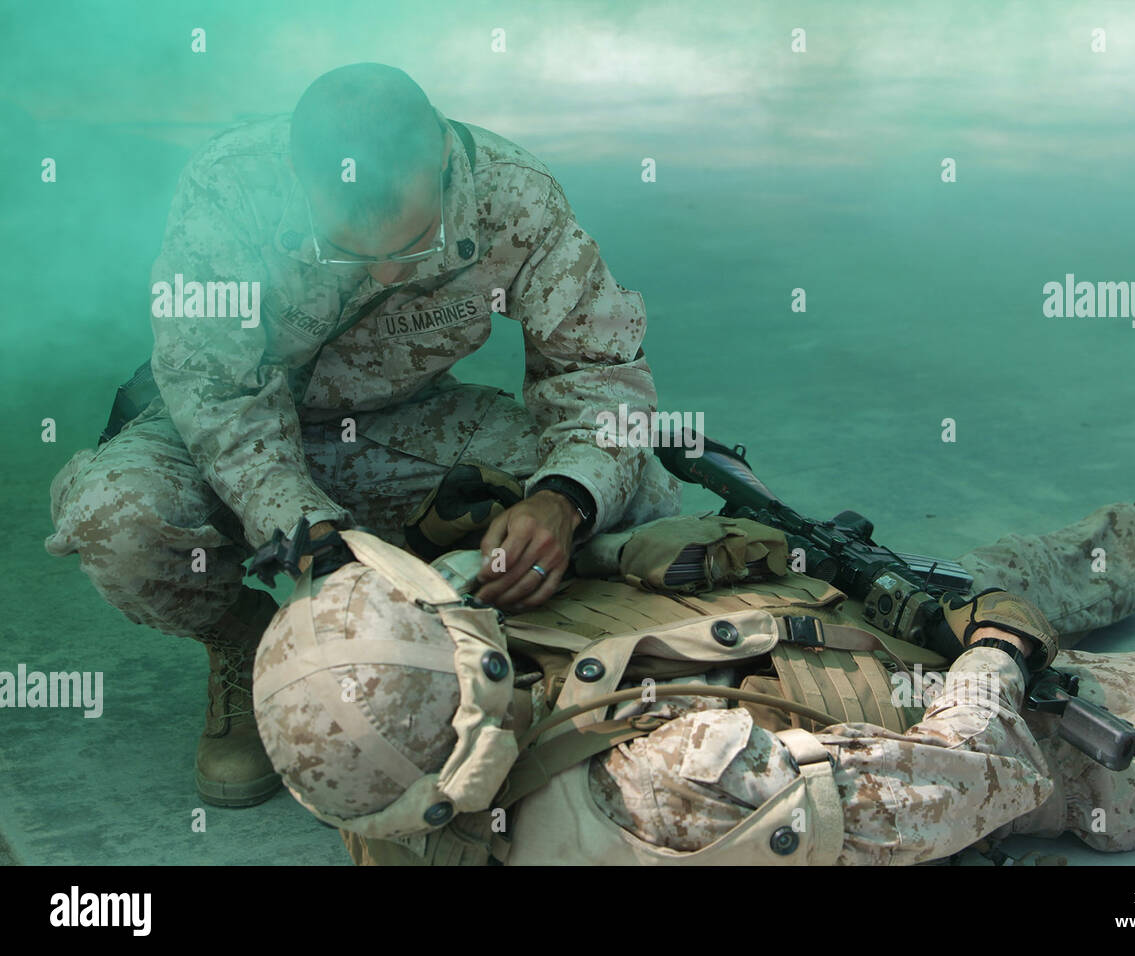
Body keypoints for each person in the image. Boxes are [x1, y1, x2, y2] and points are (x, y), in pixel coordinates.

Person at [252, 376, 1135, 865]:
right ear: (469, 689)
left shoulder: (364, 715)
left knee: (1035, 563)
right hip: (960, 718)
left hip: (814, 619)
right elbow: (957, 784)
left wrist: (639, 549)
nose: (455, 595)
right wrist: (993, 653)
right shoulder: (669, 792)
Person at [43, 62, 681, 808]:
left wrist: (562, 502)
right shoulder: (229, 191)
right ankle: (251, 647)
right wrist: (310, 534)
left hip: (404, 425)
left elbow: (600, 375)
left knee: (642, 494)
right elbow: (219, 395)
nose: (383, 272)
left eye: (411, 246)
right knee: (113, 518)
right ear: (297, 178)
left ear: (444, 152)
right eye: (350, 252)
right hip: (232, 434)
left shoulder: (515, 196)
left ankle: (515, 639)